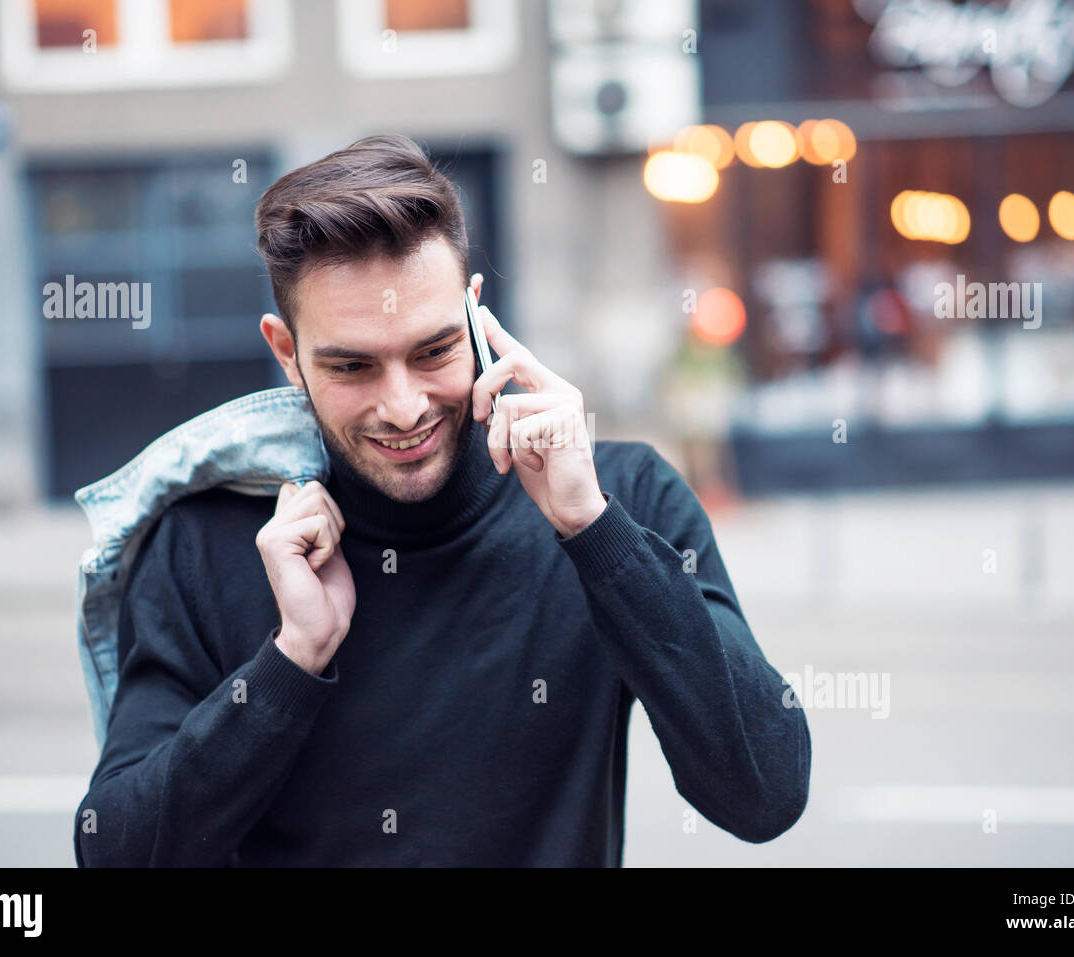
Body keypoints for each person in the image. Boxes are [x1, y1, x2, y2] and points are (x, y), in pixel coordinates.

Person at [73, 133, 811, 867]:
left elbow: (764, 794)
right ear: (286, 351)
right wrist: (290, 662)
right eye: (353, 365)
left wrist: (596, 534)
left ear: (477, 313)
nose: (402, 406)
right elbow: (114, 850)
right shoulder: (206, 540)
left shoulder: (622, 498)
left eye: (432, 351)